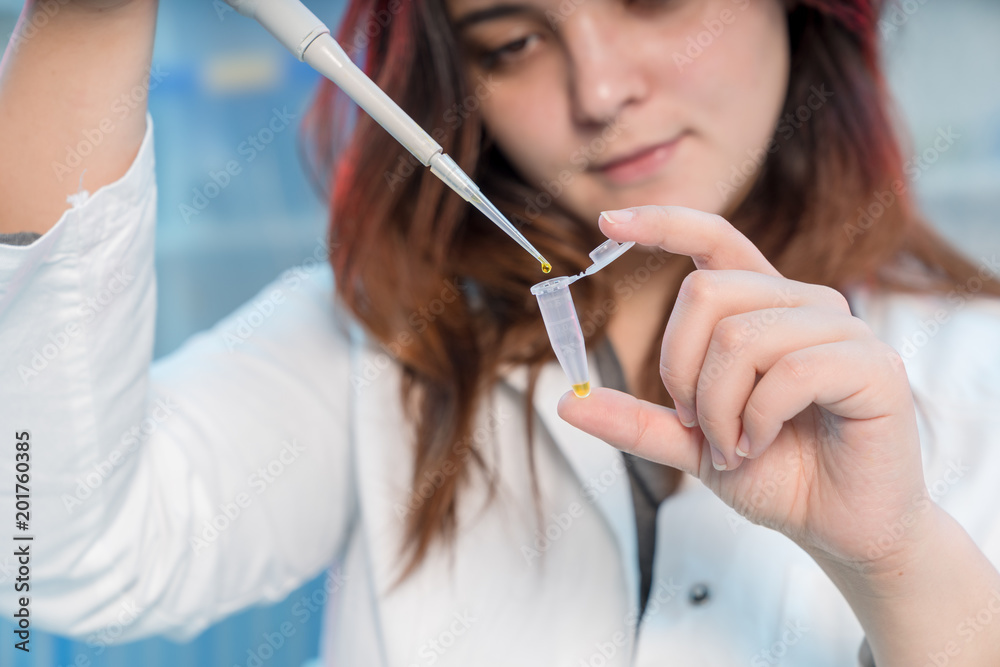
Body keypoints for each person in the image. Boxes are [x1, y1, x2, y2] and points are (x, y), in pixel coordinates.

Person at [2, 0, 999, 665]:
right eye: (511, 42)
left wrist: (897, 561)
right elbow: (41, 548)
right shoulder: (379, 344)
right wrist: (90, 14)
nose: (598, 92)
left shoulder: (977, 371)